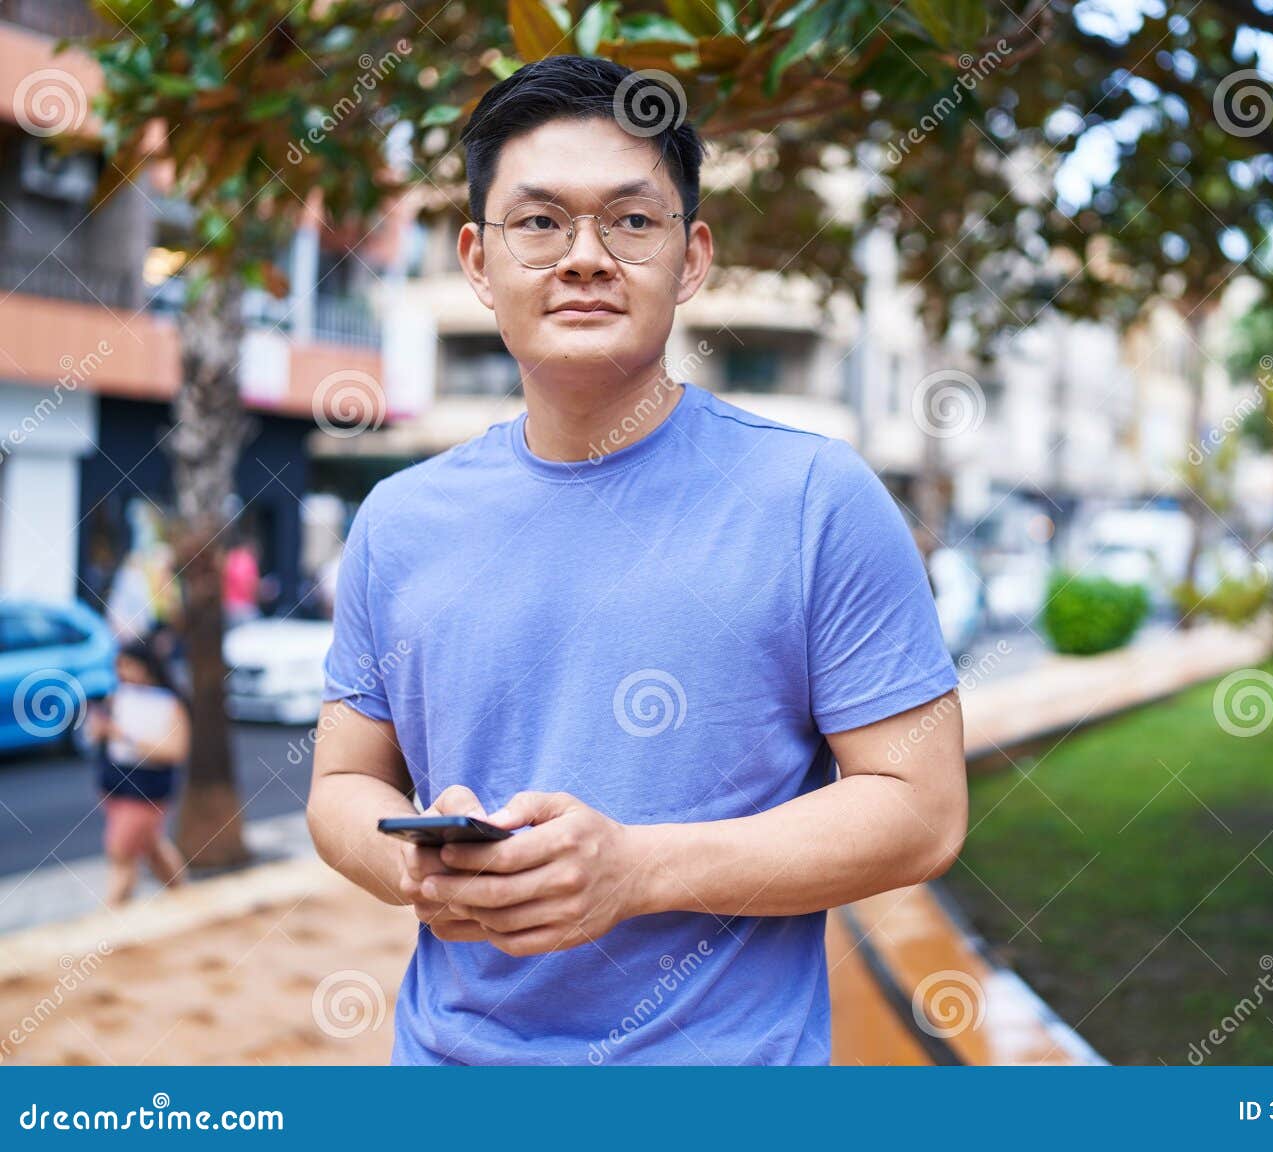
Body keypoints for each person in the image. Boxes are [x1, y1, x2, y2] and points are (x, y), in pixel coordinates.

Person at [307, 56, 968, 1066]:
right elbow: (341, 785)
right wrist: (421, 866)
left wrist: (635, 868)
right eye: (539, 222)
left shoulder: (813, 499)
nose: (583, 256)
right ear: (477, 261)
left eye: (629, 219)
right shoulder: (400, 520)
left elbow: (921, 810)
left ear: (690, 256)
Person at [88, 640, 190, 905]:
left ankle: (112, 917)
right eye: (118, 666)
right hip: (115, 785)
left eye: (127, 665)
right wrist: (101, 731)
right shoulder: (117, 697)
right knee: (151, 846)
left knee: (121, 852)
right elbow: (99, 738)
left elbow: (175, 751)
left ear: (146, 667)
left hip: (146, 788)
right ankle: (185, 899)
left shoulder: (169, 704)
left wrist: (126, 736)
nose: (122, 672)